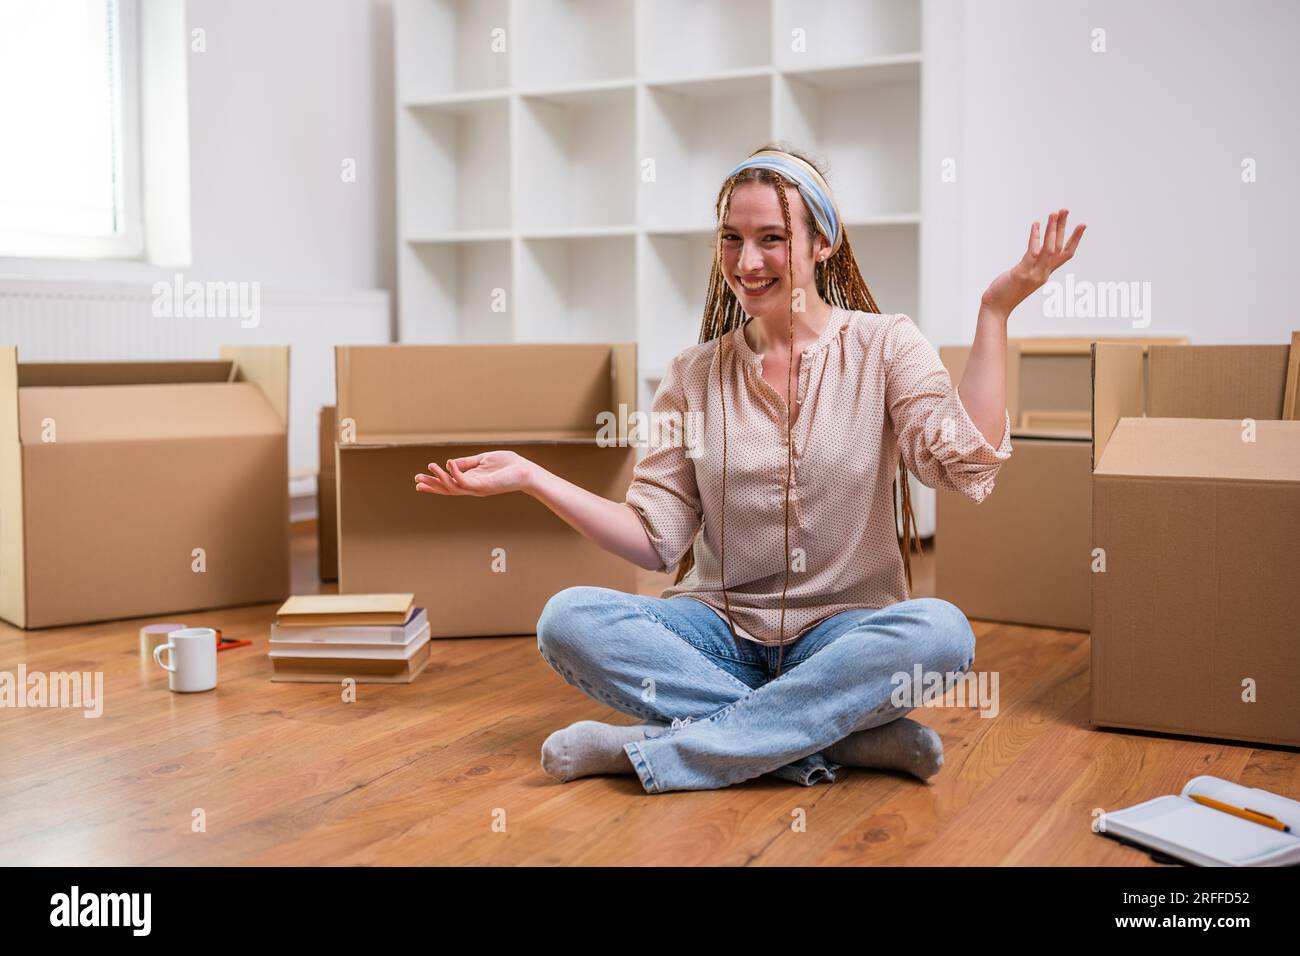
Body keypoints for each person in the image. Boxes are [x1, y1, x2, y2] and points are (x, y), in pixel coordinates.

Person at [415, 143, 1085, 795]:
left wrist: (995, 312)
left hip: (843, 633)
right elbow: (654, 541)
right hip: (717, 630)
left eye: (771, 238)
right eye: (731, 239)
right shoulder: (694, 374)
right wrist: (534, 477)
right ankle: (834, 739)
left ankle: (654, 750)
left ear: (823, 243)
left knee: (942, 633)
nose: (748, 261)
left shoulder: (885, 346)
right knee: (567, 619)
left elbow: (961, 460)